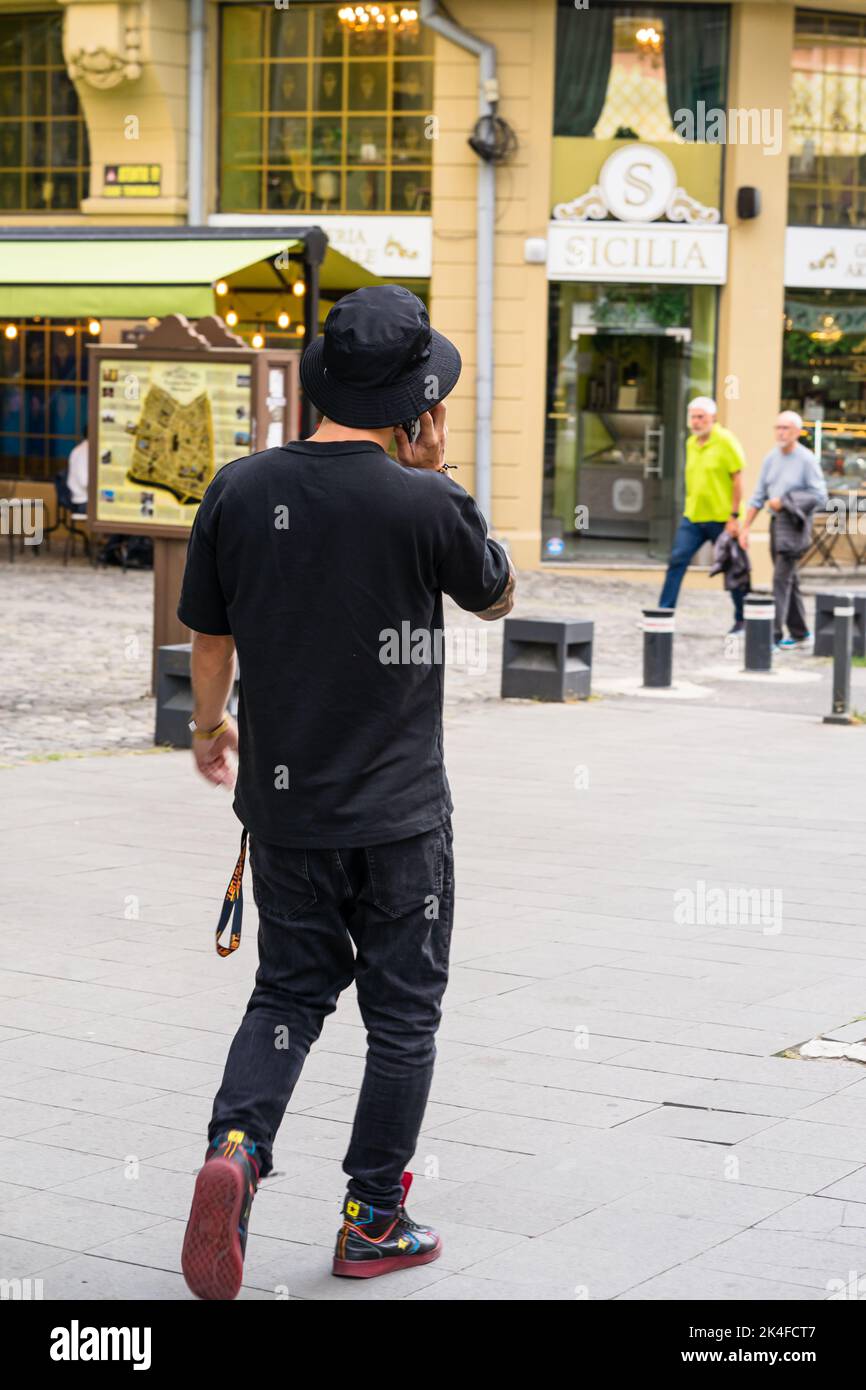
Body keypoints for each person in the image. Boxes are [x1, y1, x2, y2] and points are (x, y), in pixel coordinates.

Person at [177, 284, 515, 1300]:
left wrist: (208, 727)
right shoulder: (424, 499)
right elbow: (495, 593)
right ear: (418, 404)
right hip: (401, 816)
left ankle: (237, 1146)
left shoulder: (239, 489)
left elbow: (209, 636)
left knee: (287, 990)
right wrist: (437, 475)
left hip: (286, 812)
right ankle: (371, 1220)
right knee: (402, 1016)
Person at [739, 410, 827, 649]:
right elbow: (758, 496)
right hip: (776, 524)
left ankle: (773, 636)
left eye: (786, 428)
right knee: (790, 579)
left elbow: (820, 496)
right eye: (777, 427)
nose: (781, 432)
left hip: (795, 525)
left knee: (780, 579)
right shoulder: (770, 458)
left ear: (797, 432)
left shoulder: (807, 459)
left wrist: (787, 501)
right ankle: (800, 633)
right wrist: (745, 528)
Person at [658, 397, 746, 633]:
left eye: (701, 417)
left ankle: (742, 618)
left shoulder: (725, 441)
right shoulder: (690, 443)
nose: (696, 422)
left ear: (712, 418)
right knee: (677, 560)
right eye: (693, 417)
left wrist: (734, 516)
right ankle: (664, 613)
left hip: (722, 518)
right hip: (694, 516)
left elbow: (737, 480)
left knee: (732, 567)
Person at [66, 435, 88, 515]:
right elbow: (84, 482)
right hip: (82, 501)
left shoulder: (80, 449)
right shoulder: (84, 451)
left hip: (83, 499)